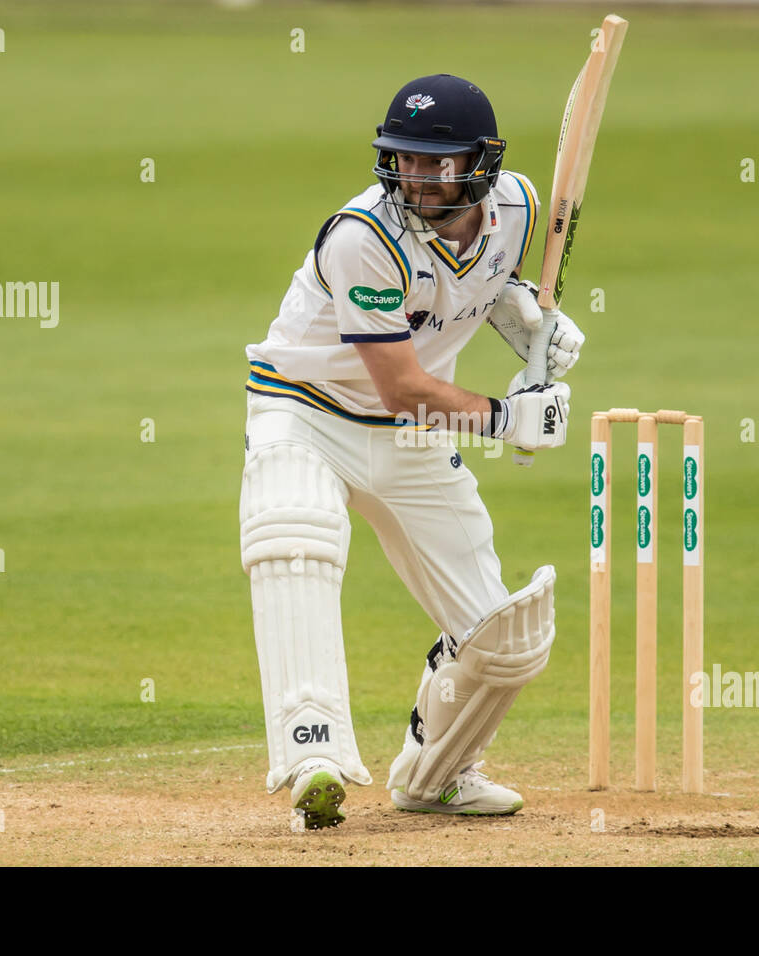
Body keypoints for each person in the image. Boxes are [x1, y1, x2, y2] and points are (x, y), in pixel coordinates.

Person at [239, 74, 585, 829]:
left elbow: (479, 282)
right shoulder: (364, 237)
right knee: (294, 536)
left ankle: (437, 775)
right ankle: (313, 758)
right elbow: (400, 384)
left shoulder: (522, 209)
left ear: (481, 166)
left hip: (410, 437)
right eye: (403, 160)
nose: (417, 177)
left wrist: (523, 317)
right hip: (306, 411)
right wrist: (505, 418)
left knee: (505, 639)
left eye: (438, 163)